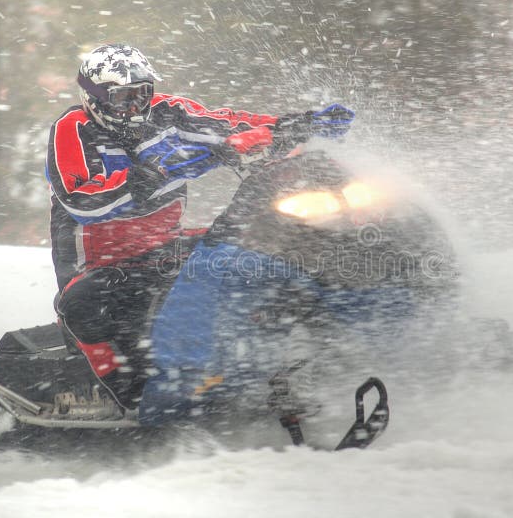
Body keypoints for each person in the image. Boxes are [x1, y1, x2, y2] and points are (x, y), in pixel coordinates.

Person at [46, 43, 351, 411]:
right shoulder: (72, 130)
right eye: (124, 98)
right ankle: (132, 395)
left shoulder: (166, 112)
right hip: (101, 266)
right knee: (83, 305)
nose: (135, 107)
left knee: (255, 250)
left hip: (163, 246)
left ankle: (306, 340)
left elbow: (226, 122)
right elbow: (82, 201)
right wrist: (141, 181)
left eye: (142, 95)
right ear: (94, 99)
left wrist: (295, 125)